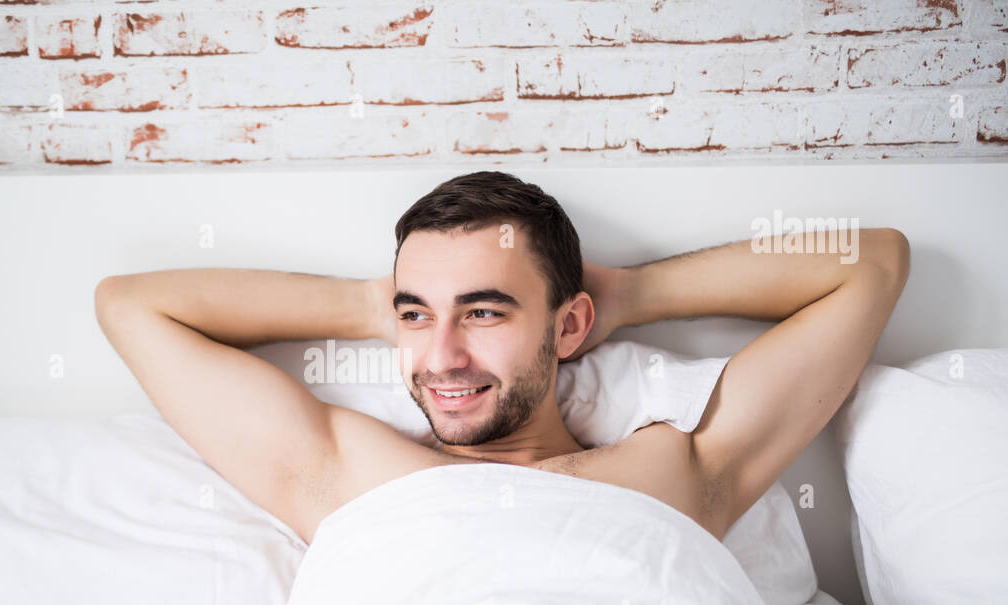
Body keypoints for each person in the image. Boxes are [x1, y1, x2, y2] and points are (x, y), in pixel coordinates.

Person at [94, 170, 908, 546]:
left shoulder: (671, 469)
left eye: (483, 311)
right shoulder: (346, 472)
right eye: (419, 315)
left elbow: (872, 264)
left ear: (566, 327)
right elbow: (130, 305)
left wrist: (629, 296)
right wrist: (369, 306)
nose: (442, 355)